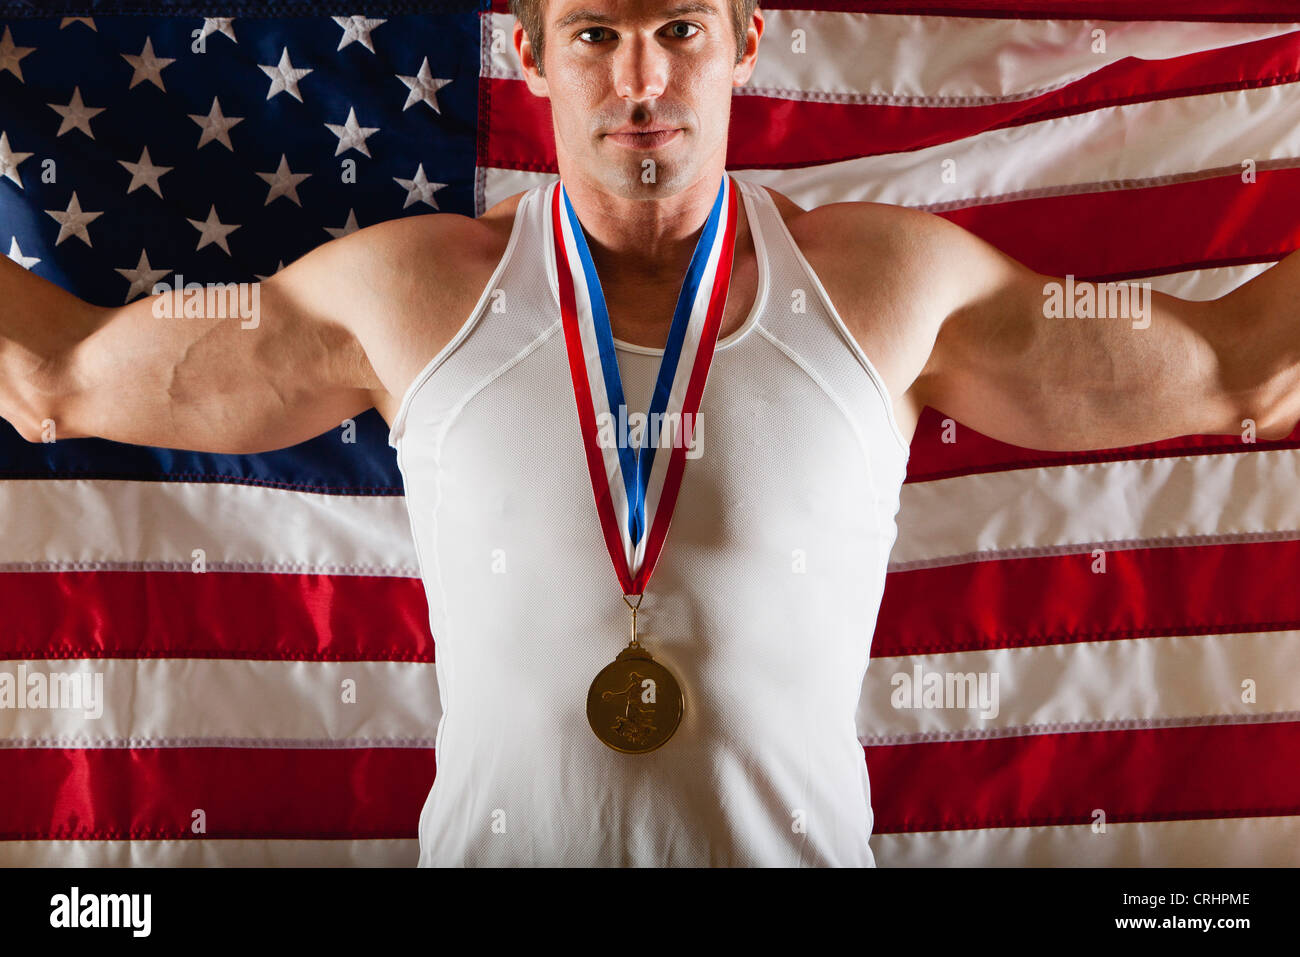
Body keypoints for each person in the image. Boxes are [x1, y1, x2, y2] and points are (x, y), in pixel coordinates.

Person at [1, 0, 1297, 866]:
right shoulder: (407, 296)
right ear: (528, 54)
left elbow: (1240, 371)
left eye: (679, 26)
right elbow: (58, 375)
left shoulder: (888, 288)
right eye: (595, 33)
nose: (639, 80)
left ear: (746, 43)